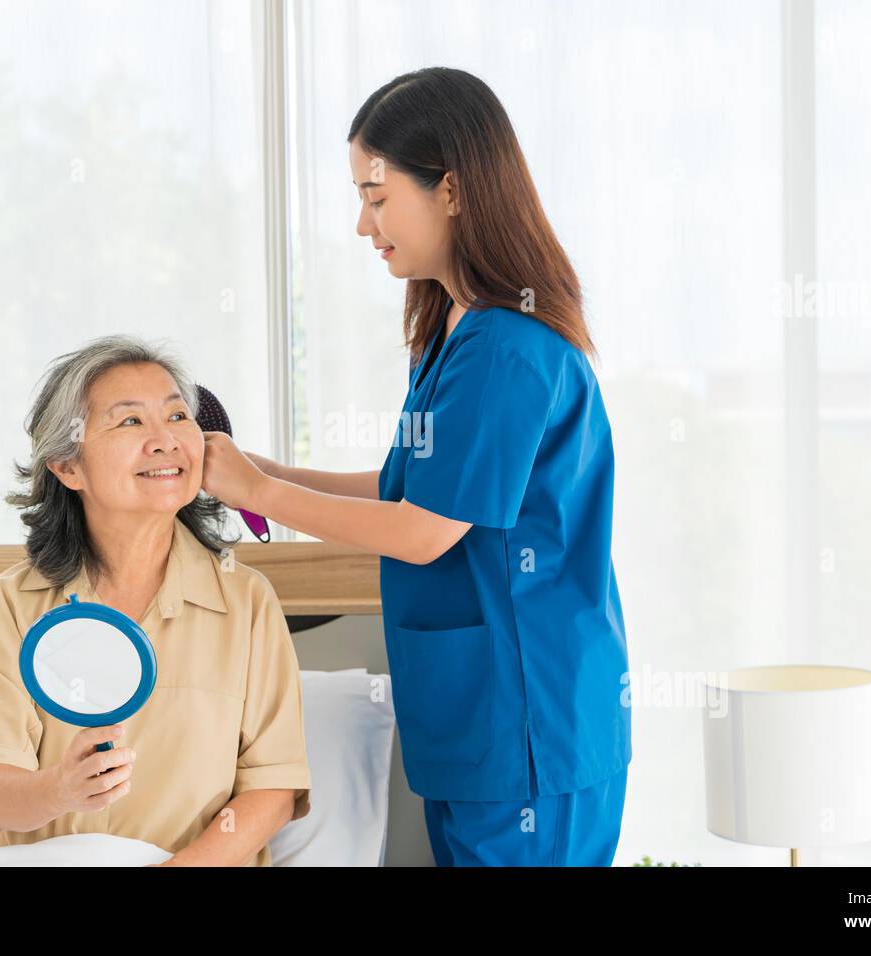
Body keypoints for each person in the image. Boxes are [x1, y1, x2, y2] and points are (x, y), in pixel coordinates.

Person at [201, 67, 630, 866]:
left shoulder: (506, 348)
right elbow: (409, 489)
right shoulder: (455, 337)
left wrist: (259, 492)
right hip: (483, 718)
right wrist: (263, 470)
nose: (364, 224)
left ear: (454, 190)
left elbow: (424, 530)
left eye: (375, 194)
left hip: (527, 722)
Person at [0, 334, 311, 867]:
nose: (165, 440)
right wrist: (59, 790)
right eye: (130, 422)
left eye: (179, 416)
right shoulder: (8, 605)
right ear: (67, 467)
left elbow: (272, 789)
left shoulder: (246, 602)